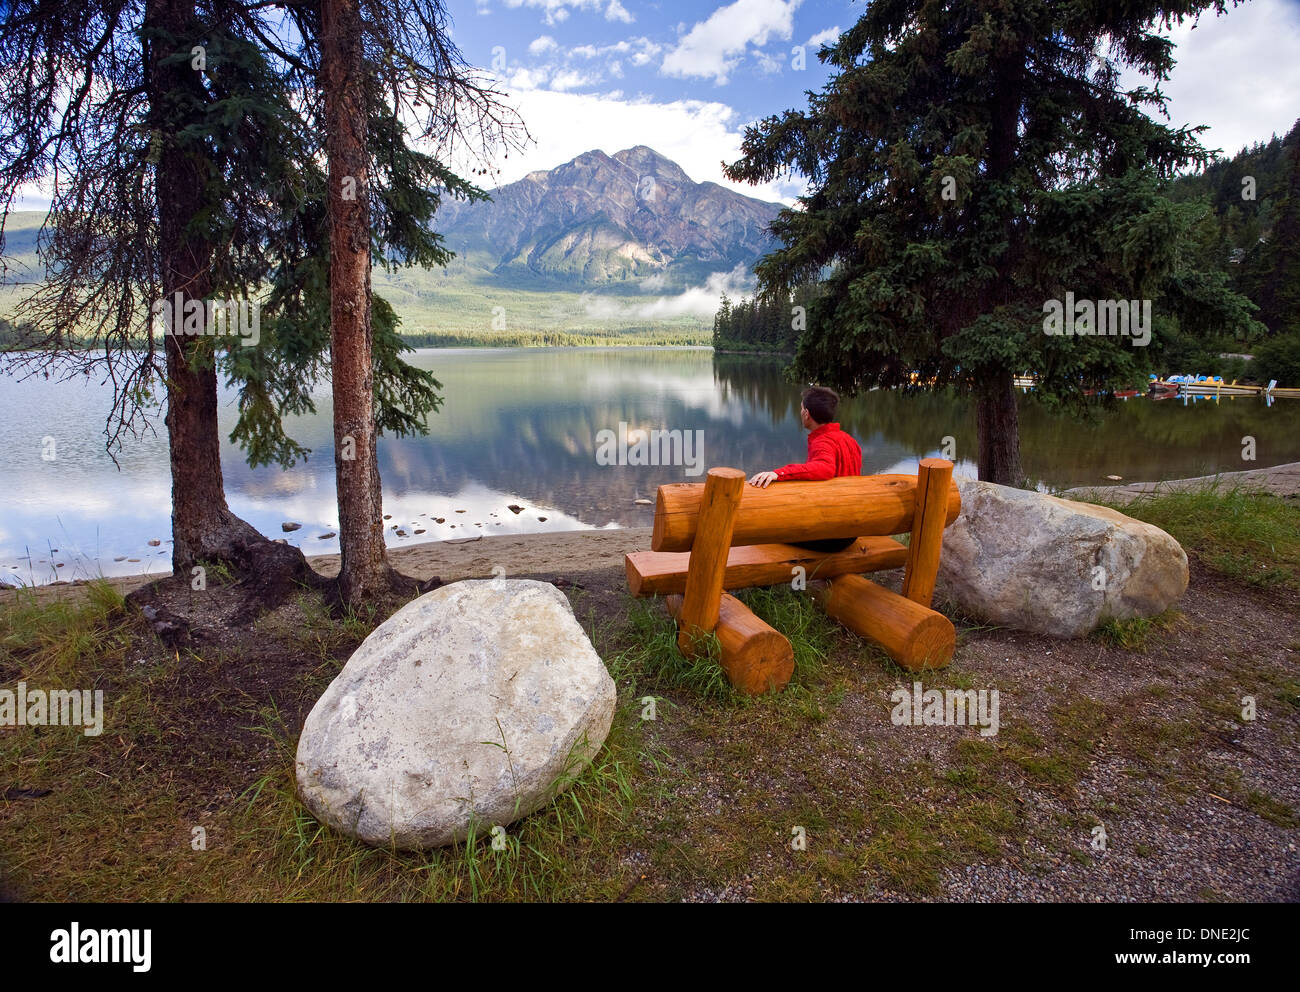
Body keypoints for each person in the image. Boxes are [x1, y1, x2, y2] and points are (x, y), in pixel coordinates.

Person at [747, 385, 862, 552]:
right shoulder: (849, 440)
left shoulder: (823, 442)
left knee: (764, 529)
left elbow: (825, 468)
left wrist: (778, 473)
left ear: (807, 414)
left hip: (833, 536)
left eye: (801, 408)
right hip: (853, 529)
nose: (800, 412)